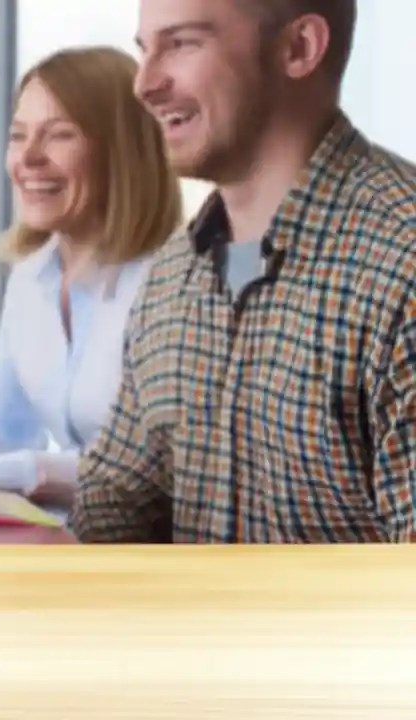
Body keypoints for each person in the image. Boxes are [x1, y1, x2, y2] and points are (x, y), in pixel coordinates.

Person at [71, 0, 416, 542]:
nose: (143, 83)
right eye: (145, 49)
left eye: (182, 43)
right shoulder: (172, 277)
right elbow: (115, 495)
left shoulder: (402, 266)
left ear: (297, 48)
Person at [0, 46, 183, 508]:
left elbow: (147, 474)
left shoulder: (173, 287)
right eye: (18, 136)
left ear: (123, 153)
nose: (28, 158)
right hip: (61, 542)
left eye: (59, 135)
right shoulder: (30, 280)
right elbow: (3, 439)